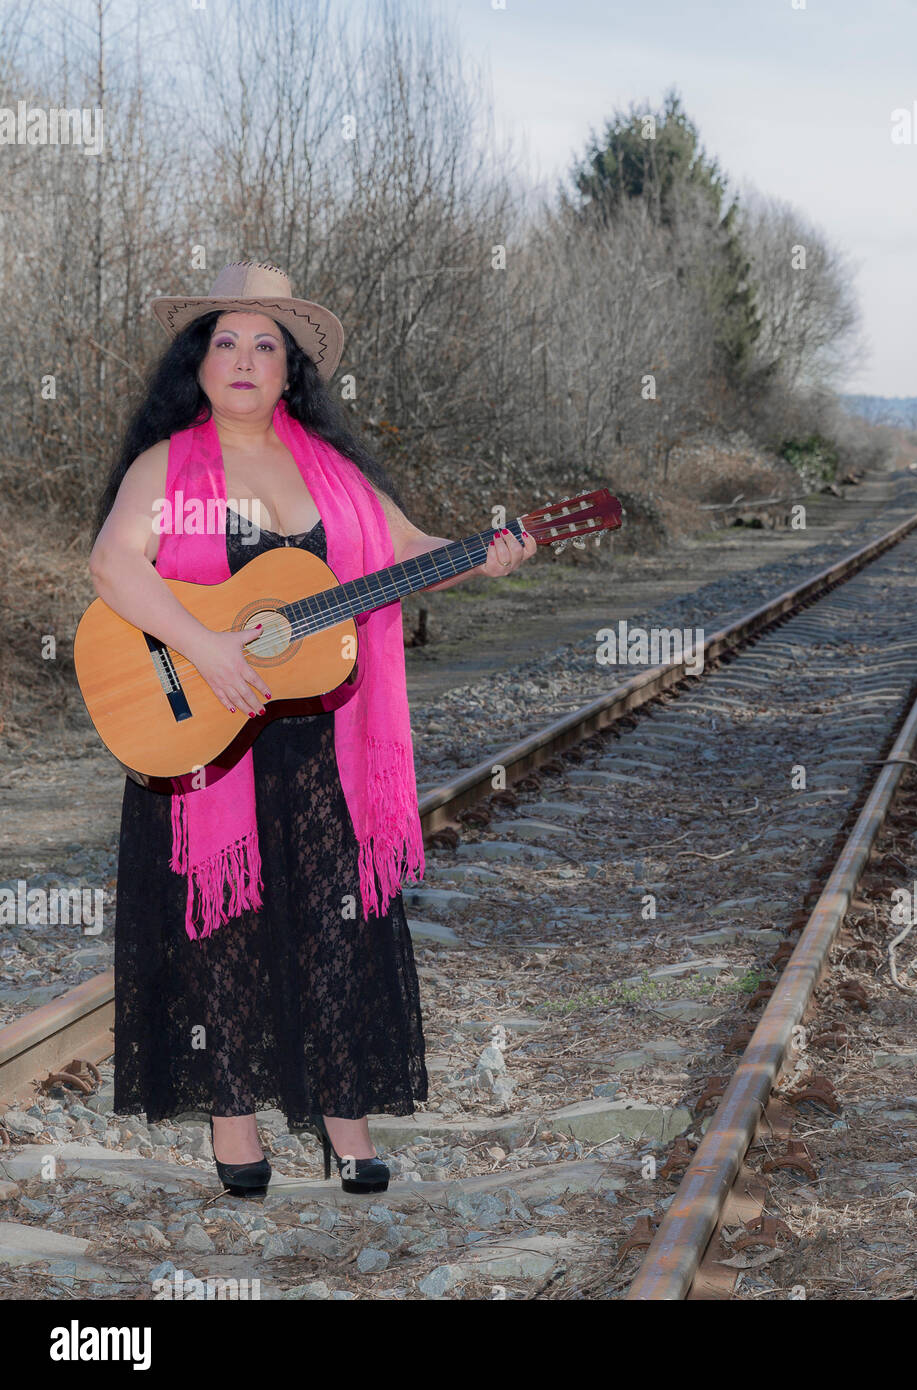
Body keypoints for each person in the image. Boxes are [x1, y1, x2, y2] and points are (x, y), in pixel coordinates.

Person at [88, 261, 536, 1196]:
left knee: (339, 923)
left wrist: (479, 559)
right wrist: (207, 647)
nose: (246, 358)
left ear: (292, 369)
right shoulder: (166, 465)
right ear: (198, 362)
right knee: (223, 930)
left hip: (325, 736)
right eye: (226, 340)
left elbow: (406, 554)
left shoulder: (332, 471)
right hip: (205, 727)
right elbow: (115, 567)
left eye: (266, 343)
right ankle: (234, 1120)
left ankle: (345, 1120)